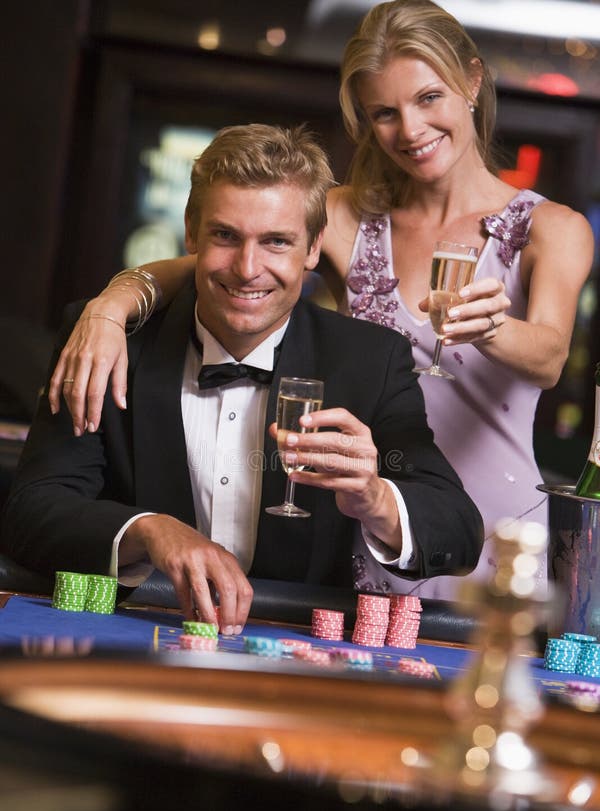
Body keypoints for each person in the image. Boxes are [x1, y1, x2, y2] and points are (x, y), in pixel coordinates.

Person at [45, 0, 593, 600]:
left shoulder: (551, 228)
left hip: (493, 521)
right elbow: (216, 261)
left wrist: (489, 328)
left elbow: (549, 355)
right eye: (385, 112)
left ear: (472, 80)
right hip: (368, 506)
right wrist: (109, 307)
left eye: (428, 98)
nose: (409, 130)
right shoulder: (343, 216)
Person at [1, 123, 483, 632]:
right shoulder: (114, 344)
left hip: (291, 657)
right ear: (191, 232)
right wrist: (150, 531)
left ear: (314, 248)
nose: (247, 268)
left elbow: (459, 532)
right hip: (133, 635)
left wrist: (376, 497)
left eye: (276, 242)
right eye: (226, 236)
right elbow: (32, 512)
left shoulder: (368, 360)